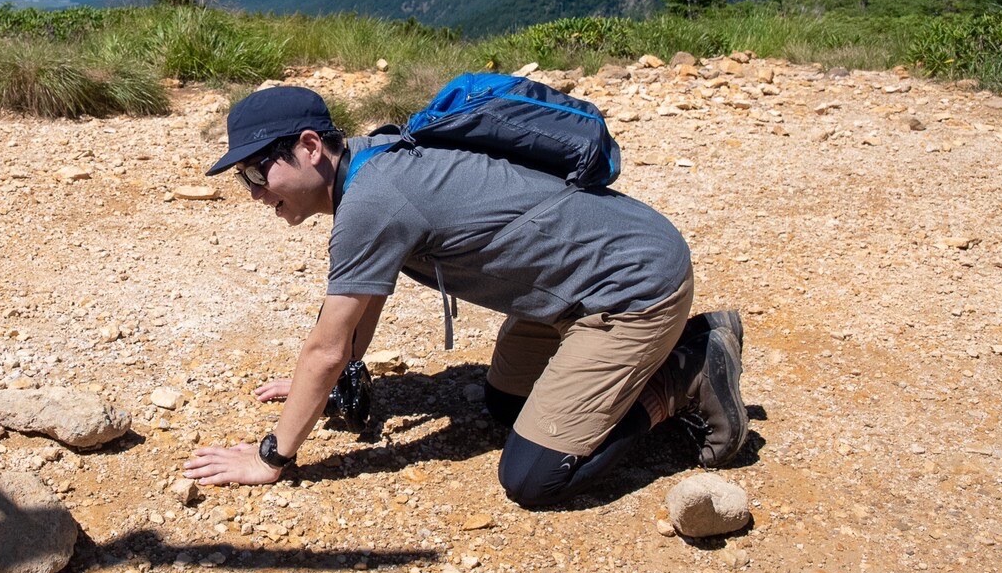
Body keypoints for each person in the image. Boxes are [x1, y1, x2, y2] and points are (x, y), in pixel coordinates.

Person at [181, 84, 747, 507]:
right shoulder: (371, 160)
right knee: (506, 405)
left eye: (258, 172)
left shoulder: (373, 200)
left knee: (534, 476)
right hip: (578, 289)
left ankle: (683, 372)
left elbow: (323, 350)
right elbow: (366, 299)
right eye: (244, 179)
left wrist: (271, 456)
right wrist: (332, 379)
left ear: (308, 147)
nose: (255, 192)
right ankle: (638, 362)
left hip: (631, 288)